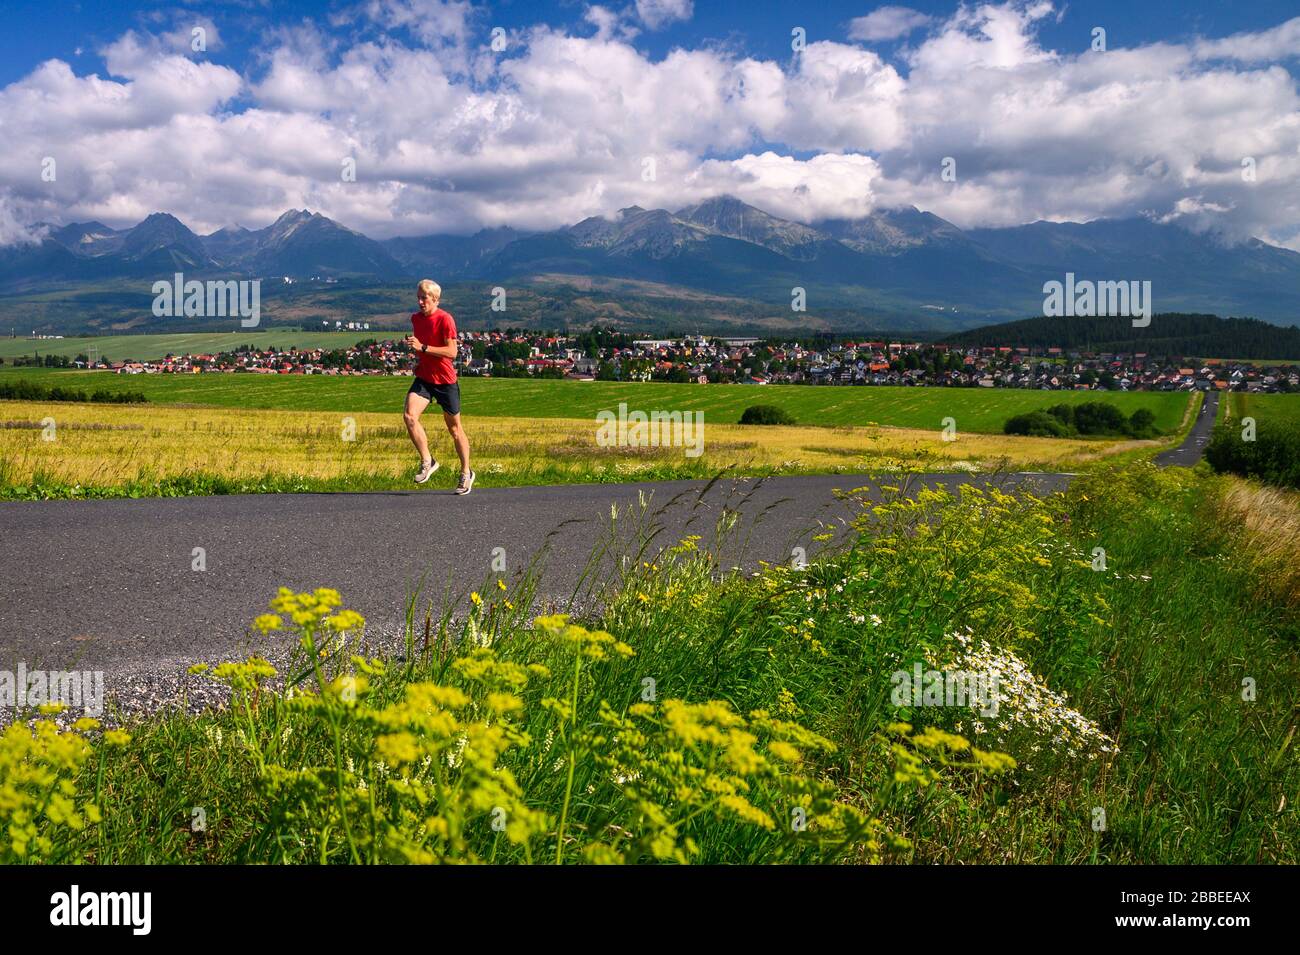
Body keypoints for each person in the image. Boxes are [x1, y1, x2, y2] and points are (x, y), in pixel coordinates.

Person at [403, 279, 474, 494]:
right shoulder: (415, 319)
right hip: (425, 378)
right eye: (418, 297)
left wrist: (422, 347)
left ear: (435, 299)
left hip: (445, 380)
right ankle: (428, 460)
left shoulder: (445, 319)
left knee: (454, 429)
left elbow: (452, 352)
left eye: (424, 298)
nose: (420, 301)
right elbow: (421, 349)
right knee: (409, 416)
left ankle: (466, 472)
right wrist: (416, 349)